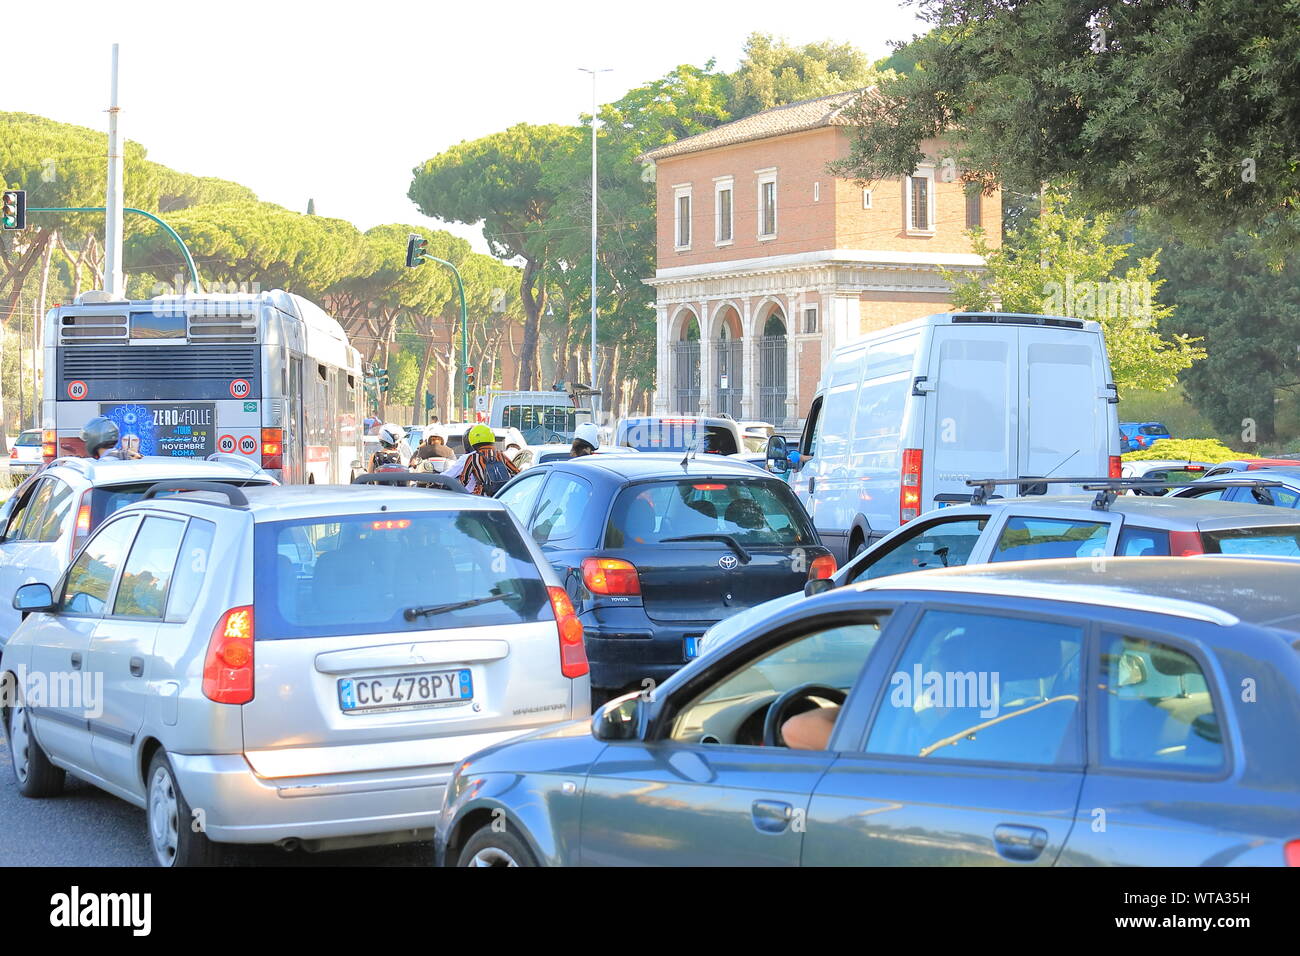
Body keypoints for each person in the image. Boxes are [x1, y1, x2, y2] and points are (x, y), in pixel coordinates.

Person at [444, 424, 519, 495]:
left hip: (481, 498)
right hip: (500, 495)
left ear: (472, 440)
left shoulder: (473, 457)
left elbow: (463, 480)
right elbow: (516, 472)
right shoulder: (500, 454)